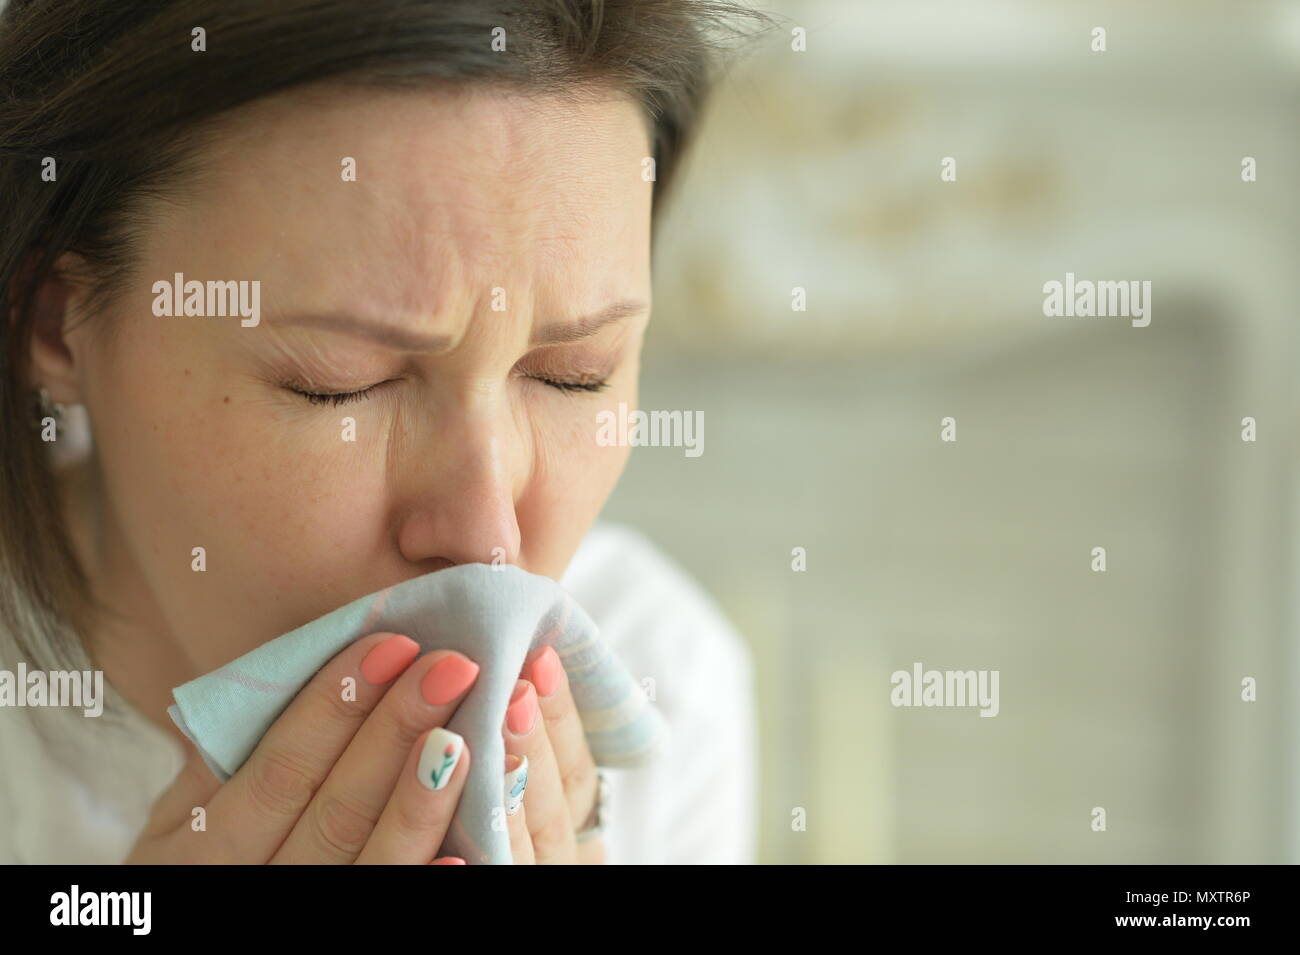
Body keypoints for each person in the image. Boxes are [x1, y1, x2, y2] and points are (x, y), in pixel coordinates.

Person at [0, 0, 771, 864]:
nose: (489, 538)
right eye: (342, 385)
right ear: (56, 324)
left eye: (574, 374)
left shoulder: (667, 676)